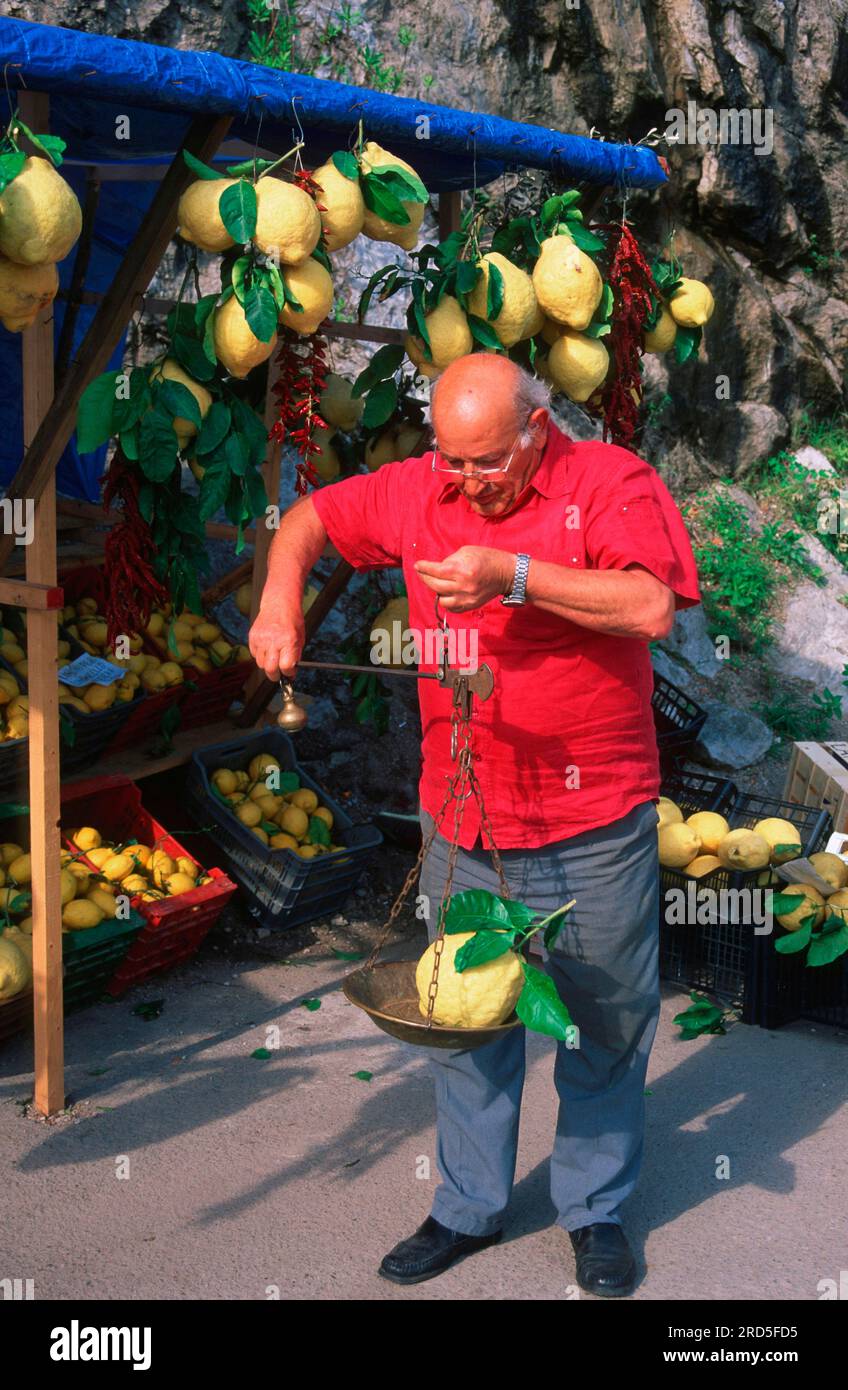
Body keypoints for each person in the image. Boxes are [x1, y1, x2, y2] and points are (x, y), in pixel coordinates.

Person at [249, 352, 700, 1297]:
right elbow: (308, 521)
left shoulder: (610, 482)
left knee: (605, 1028)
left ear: (538, 430)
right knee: (467, 1023)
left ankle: (596, 1210)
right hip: (465, 820)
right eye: (453, 461)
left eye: (487, 462)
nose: (466, 481)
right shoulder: (424, 487)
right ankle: (466, 1207)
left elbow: (651, 606)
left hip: (593, 817)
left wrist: (515, 573)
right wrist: (279, 598)